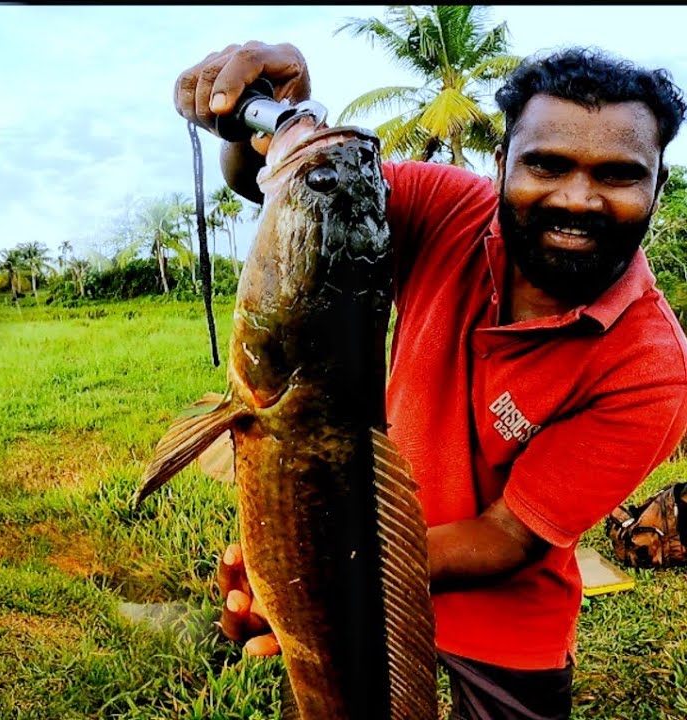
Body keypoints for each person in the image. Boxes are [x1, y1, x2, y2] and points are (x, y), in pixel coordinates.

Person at [176, 42, 687, 719]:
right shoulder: (448, 208)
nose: (576, 198)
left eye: (619, 175)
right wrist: (246, 126)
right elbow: (284, 193)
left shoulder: (653, 369)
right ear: (502, 164)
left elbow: (508, 535)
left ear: (658, 186)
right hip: (364, 550)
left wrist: (328, 572)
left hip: (509, 619)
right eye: (546, 164)